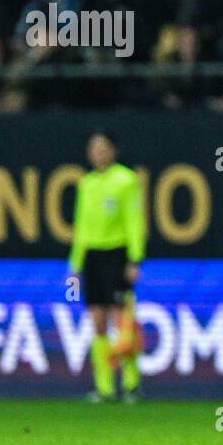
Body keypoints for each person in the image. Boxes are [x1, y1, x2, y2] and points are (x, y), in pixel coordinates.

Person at [69, 131, 145, 403]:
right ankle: (104, 388)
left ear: (113, 150)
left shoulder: (126, 180)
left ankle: (131, 384)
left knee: (121, 319)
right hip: (92, 256)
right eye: (93, 148)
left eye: (102, 147)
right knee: (98, 321)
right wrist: (75, 265)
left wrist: (134, 258)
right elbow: (80, 227)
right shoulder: (86, 183)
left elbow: (134, 220)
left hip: (116, 253)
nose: (97, 152)